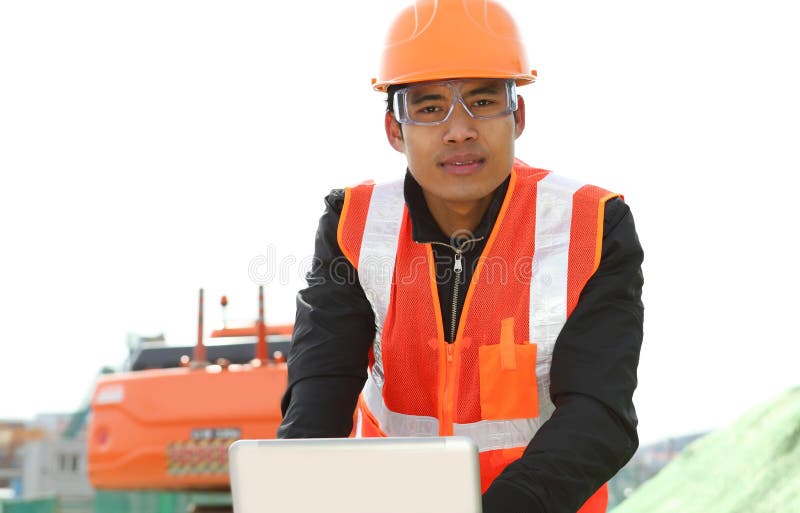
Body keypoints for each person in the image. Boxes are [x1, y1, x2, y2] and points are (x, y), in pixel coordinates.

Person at [277, 1, 644, 512]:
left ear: (518, 115)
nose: (459, 130)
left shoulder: (591, 225)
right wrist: (297, 493)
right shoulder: (353, 225)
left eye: (482, 100)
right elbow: (321, 387)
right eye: (429, 107)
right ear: (394, 131)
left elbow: (600, 412)